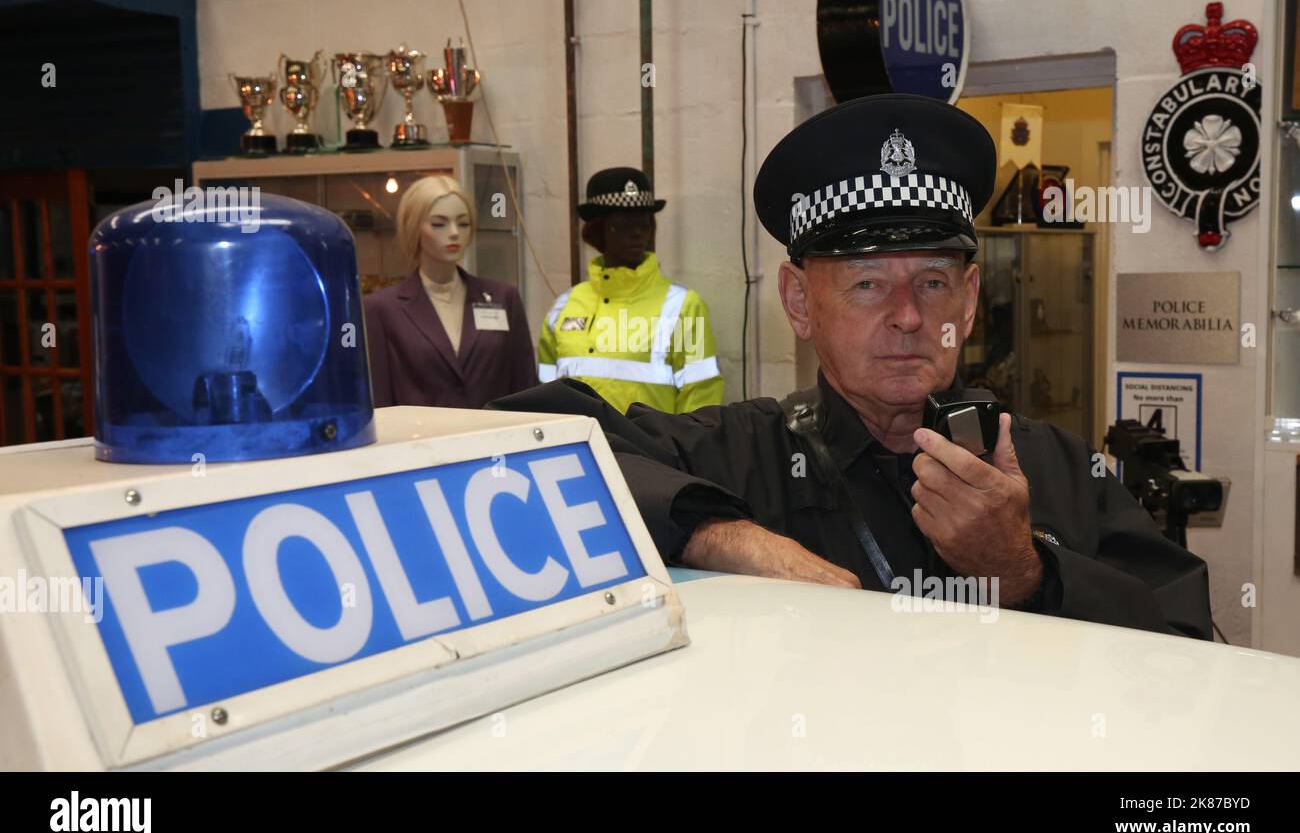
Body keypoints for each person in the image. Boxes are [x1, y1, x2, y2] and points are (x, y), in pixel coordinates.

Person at [493, 95, 1212, 639]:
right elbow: (517, 437)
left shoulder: (1052, 467)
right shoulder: (740, 457)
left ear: (969, 297)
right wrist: (718, 534)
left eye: (933, 282)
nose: (907, 315)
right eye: (868, 284)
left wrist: (1026, 570)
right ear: (799, 302)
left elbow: (1188, 654)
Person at [537, 167, 723, 413]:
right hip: (579, 449)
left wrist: (685, 450)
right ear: (598, 231)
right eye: (621, 225)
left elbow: (702, 396)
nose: (636, 234)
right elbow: (544, 394)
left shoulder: (683, 305)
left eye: (643, 224)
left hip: (650, 450)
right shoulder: (565, 306)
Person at [365, 175, 536, 409]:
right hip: (420, 441)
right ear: (414, 227)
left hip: (496, 441)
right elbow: (379, 400)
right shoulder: (382, 309)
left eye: (463, 223)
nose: (454, 232)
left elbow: (526, 389)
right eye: (439, 224)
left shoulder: (504, 299)